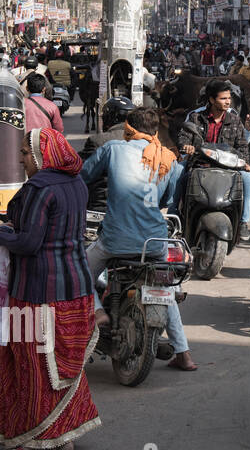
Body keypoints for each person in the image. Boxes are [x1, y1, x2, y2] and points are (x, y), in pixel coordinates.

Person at [0, 128, 100, 450]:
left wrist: (0, 234)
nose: (20, 158)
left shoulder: (38, 188)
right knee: (61, 366)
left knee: (31, 364)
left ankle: (37, 443)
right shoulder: (76, 183)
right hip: (77, 289)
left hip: (37, 292)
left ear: (41, 155)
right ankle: (62, 436)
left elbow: (29, 242)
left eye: (24, 153)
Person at [79, 108, 196, 371]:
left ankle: (97, 310)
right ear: (155, 132)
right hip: (154, 242)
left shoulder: (113, 149)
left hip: (115, 239)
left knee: (79, 269)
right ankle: (184, 354)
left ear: (128, 129)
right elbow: (166, 201)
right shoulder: (169, 159)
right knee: (164, 290)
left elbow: (84, 177)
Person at [178, 80, 250, 242]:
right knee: (178, 172)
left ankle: (243, 221)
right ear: (212, 100)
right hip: (199, 164)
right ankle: (175, 217)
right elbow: (184, 137)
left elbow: (242, 145)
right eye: (223, 98)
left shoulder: (235, 120)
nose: (227, 102)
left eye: (229, 98)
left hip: (227, 166)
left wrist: (244, 162)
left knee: (247, 177)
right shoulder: (196, 117)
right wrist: (187, 147)